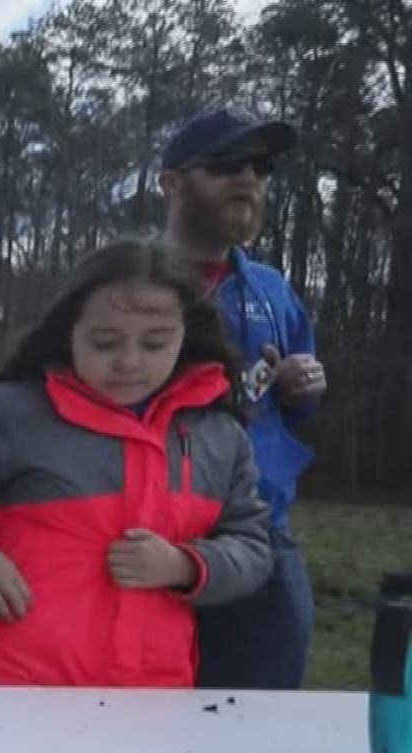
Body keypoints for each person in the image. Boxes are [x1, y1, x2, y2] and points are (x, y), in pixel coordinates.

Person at [0, 239, 272, 688]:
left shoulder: (220, 435)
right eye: (104, 342)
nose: (129, 362)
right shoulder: (15, 414)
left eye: (155, 344)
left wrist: (185, 565)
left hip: (150, 695)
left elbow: (253, 547)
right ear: (69, 330)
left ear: (185, 335)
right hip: (7, 685)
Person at [158, 106, 326, 689]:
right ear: (171, 184)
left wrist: (302, 388)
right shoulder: (127, 284)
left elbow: (295, 407)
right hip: (151, 533)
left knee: (263, 714)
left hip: (258, 528)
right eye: (228, 164)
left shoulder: (273, 289)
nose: (248, 179)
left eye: (261, 166)